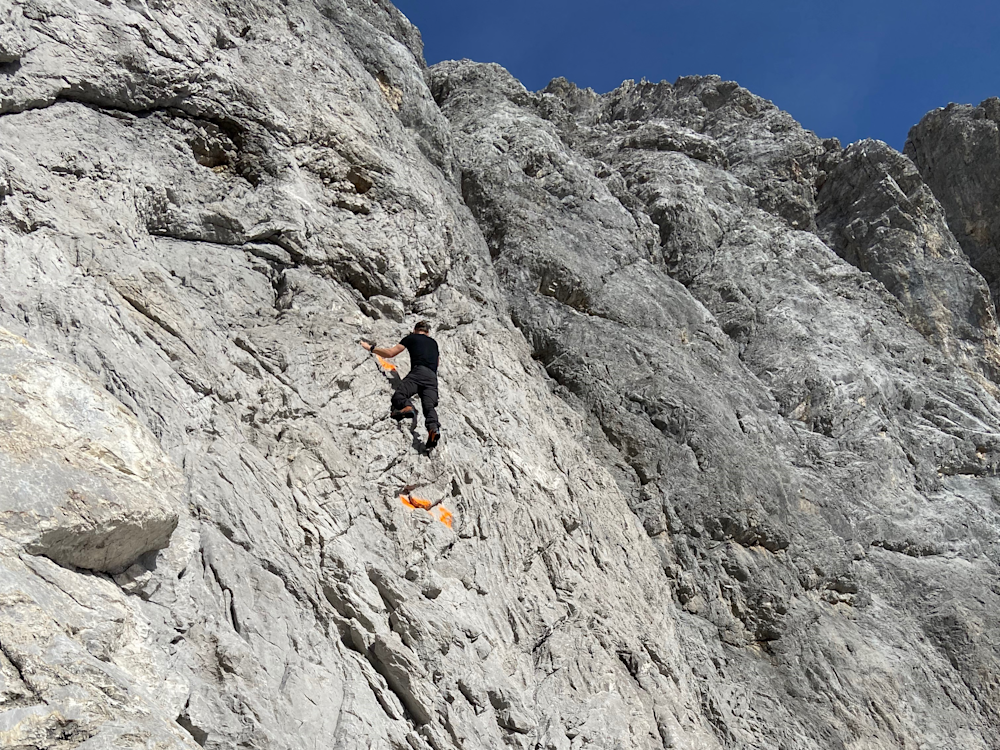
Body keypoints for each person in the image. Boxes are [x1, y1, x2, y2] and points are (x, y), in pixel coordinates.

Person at [361, 321, 440, 450]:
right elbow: (437, 362)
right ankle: (433, 428)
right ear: (428, 332)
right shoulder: (434, 343)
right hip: (432, 378)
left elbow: (391, 353)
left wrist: (371, 348)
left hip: (418, 372)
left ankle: (407, 407)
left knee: (400, 395)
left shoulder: (411, 338)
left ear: (415, 330)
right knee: (429, 406)